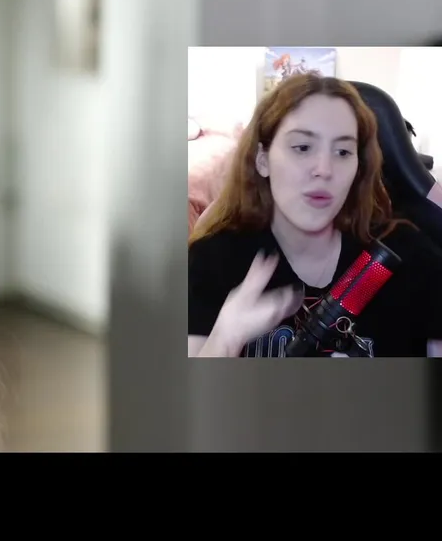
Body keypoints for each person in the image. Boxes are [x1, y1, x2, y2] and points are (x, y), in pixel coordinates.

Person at [188, 73, 442, 358]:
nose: (324, 169)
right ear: (263, 160)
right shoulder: (213, 259)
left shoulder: (407, 254)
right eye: (302, 147)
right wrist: (225, 339)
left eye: (343, 152)